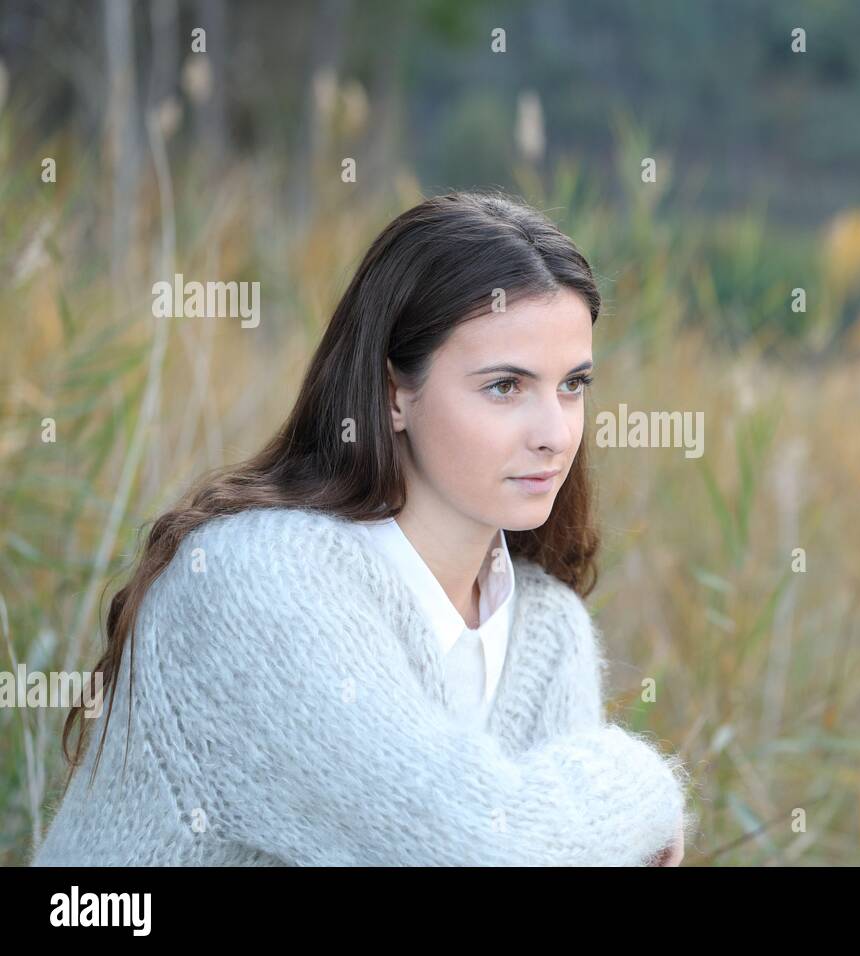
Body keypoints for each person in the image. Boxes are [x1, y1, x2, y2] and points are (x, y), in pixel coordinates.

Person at [31, 191, 693, 867]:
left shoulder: (548, 631)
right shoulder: (259, 586)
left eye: (573, 385)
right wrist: (648, 789)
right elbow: (480, 847)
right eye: (505, 387)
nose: (556, 434)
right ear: (393, 395)